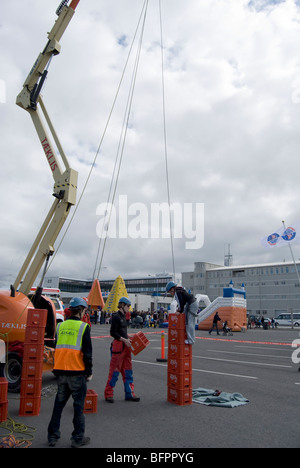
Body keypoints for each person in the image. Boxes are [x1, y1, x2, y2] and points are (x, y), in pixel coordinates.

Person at [47, 297, 93, 449]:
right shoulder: (83, 327)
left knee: (58, 406)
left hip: (61, 372)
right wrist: (89, 372)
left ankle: (52, 437)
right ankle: (77, 438)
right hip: (77, 373)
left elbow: (57, 346)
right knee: (78, 408)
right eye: (84, 309)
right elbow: (87, 353)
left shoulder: (60, 326)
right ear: (80, 310)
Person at [104, 297, 140, 403]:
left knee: (128, 371)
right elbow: (113, 333)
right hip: (118, 347)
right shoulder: (116, 317)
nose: (129, 308)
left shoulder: (124, 316)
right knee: (114, 372)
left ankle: (130, 393)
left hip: (125, 346)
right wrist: (125, 340)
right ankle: (108, 394)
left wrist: (128, 338)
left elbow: (122, 332)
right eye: (128, 306)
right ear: (123, 305)